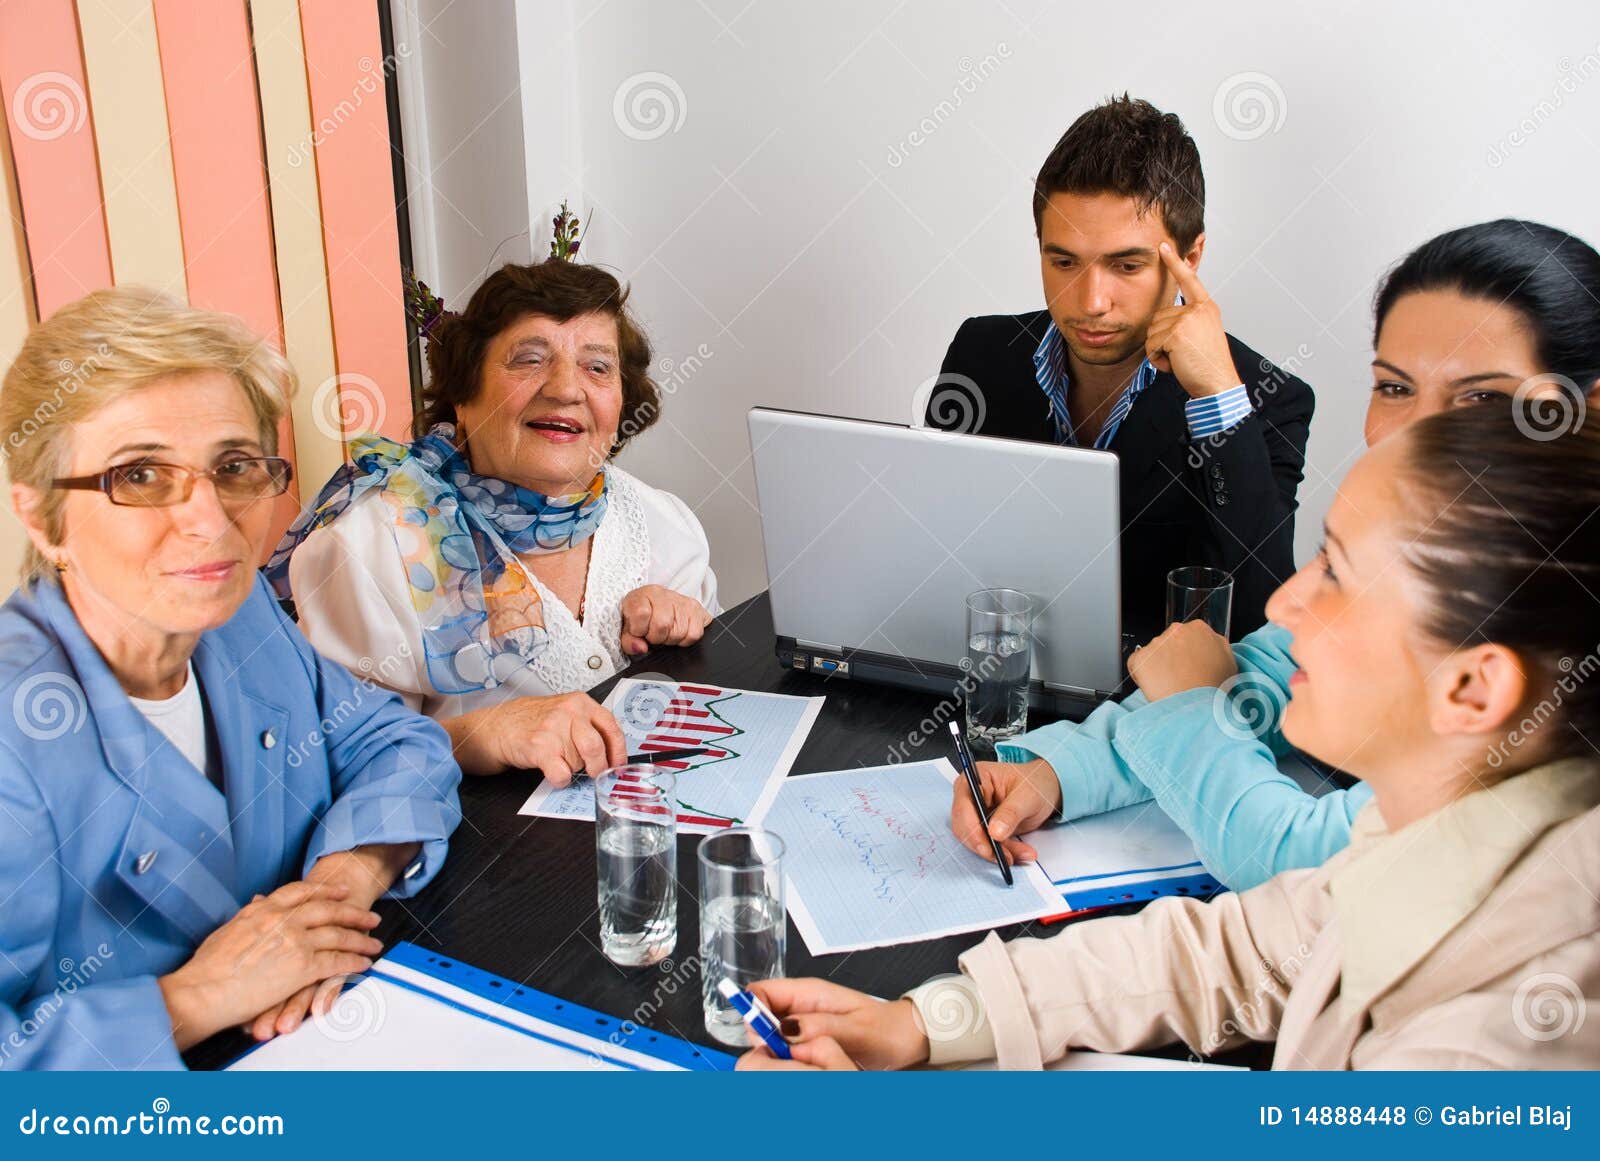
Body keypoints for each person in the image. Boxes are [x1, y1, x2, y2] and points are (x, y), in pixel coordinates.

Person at [742, 402, 1600, 1070]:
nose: (1284, 603)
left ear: (1473, 687)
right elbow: (1238, 952)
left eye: (1337, 573)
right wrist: (930, 1019)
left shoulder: (1494, 1049)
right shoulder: (1443, 835)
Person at [954, 219, 1600, 890]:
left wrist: (1193, 706)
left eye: (1485, 398)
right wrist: (1058, 768)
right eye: (1396, 387)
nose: (1418, 433)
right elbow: (1266, 670)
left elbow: (1309, 865)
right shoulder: (1423, 542)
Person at [0, 288, 463, 1069]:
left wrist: (341, 887)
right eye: (141, 474)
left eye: (234, 466)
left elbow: (396, 743)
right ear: (44, 519)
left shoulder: (240, 610)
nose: (211, 521)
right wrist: (200, 996)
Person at [268, 260, 719, 785]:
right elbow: (332, 760)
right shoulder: (366, 550)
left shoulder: (663, 522)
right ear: (463, 395)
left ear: (621, 403)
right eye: (530, 360)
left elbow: (713, 695)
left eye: (597, 367)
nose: (565, 388)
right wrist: (480, 734)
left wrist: (684, 621)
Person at [922, 95, 1314, 641]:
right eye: (1063, 262)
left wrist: (1218, 397)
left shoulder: (1264, 397)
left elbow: (1258, 616)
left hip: (1148, 708)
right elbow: (931, 544)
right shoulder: (982, 351)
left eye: (1126, 265)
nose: (1091, 301)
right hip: (991, 676)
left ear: (1190, 259)